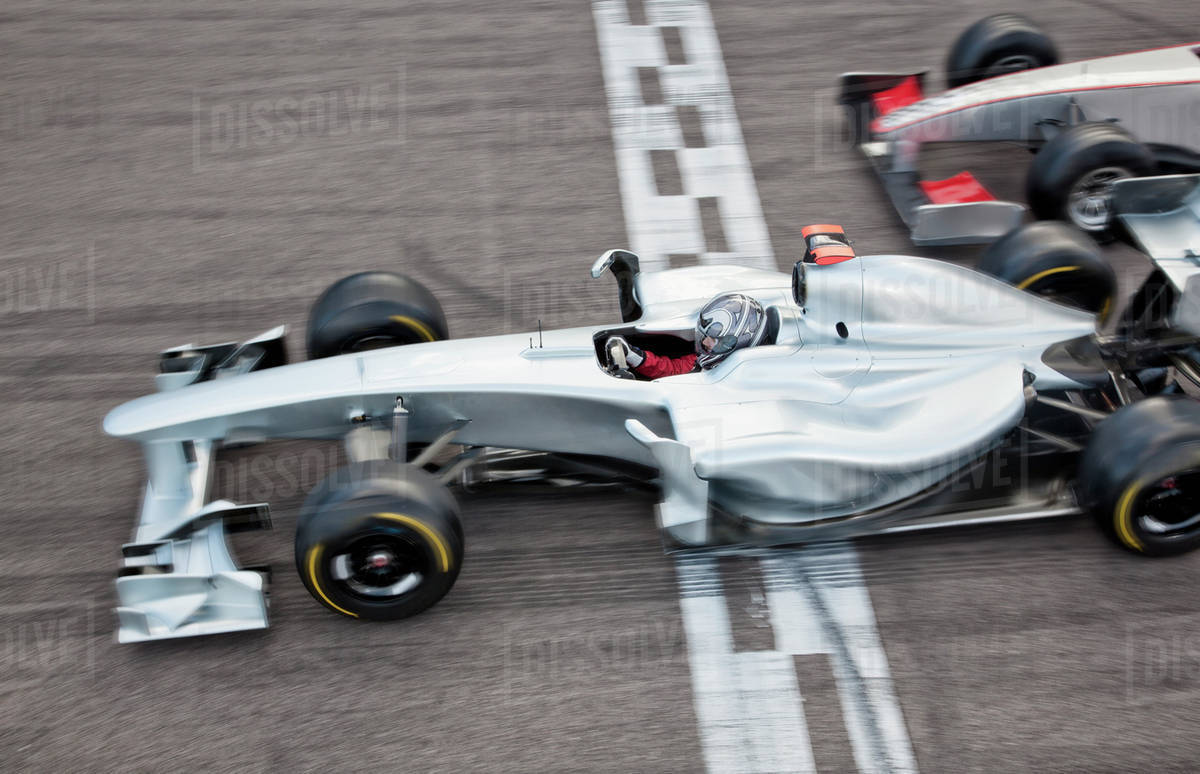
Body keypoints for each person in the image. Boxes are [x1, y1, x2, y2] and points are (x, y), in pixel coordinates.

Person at [606, 293, 767, 379]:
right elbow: (669, 369)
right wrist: (631, 354)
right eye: (706, 336)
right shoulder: (700, 361)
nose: (705, 342)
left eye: (715, 340)